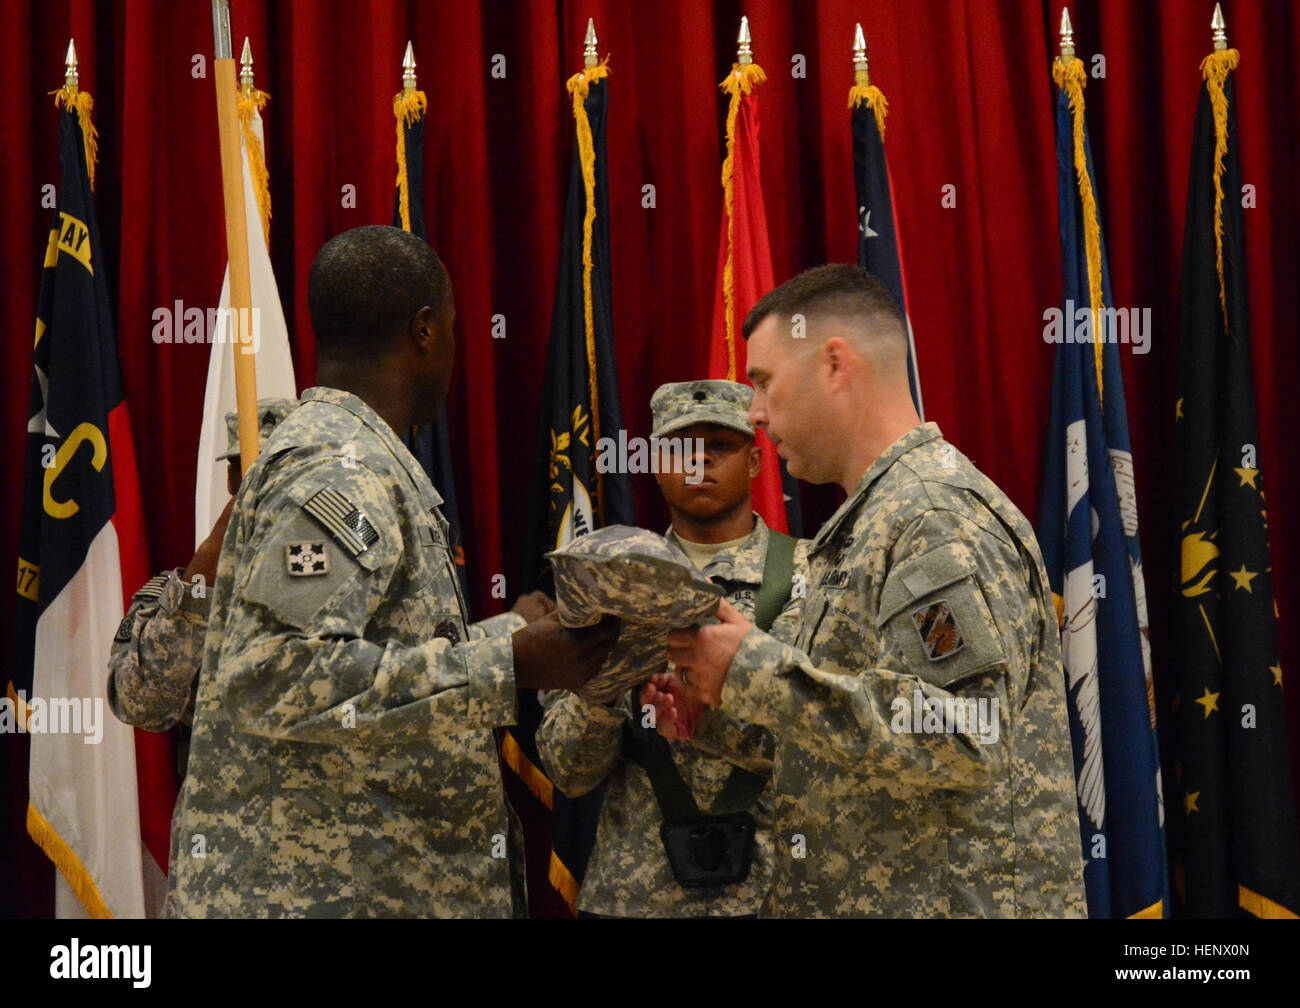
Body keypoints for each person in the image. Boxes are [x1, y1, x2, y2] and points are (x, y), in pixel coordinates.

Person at [165, 225, 617, 918]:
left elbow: (363, 652)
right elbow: (274, 674)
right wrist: (506, 664)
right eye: (457, 328)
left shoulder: (358, 457)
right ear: (425, 331)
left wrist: (503, 634)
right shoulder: (340, 468)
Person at [649, 265, 1086, 917]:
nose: (757, 414)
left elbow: (968, 732)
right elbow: (838, 745)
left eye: (763, 382)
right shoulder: (870, 523)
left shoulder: (932, 517)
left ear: (834, 364)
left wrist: (753, 669)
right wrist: (710, 713)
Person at [537, 380, 806, 917]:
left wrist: (705, 713)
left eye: (720, 446)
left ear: (755, 463)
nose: (698, 460)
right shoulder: (603, 581)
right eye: (680, 447)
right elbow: (567, 772)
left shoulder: (812, 578)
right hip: (636, 896)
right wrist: (606, 688)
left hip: (780, 895)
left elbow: (834, 743)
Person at [107, 399, 297, 738]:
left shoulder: (347, 573)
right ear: (231, 479)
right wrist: (209, 567)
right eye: (253, 472)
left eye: (285, 472)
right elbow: (139, 704)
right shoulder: (186, 592)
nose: (268, 489)